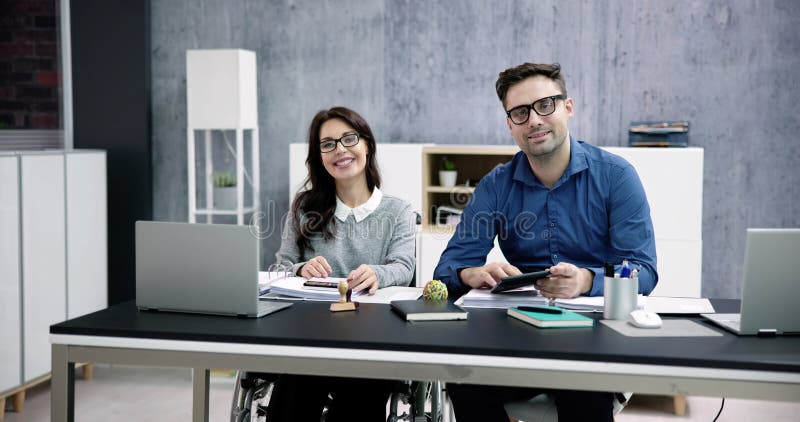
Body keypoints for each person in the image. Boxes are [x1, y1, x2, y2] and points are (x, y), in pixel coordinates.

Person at [433, 63, 658, 421]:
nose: (534, 120)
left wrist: (587, 280)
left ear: (567, 107)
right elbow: (447, 270)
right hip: (517, 336)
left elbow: (644, 271)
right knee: (465, 380)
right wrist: (470, 273)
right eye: (520, 113)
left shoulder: (616, 176)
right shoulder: (496, 185)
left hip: (593, 340)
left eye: (545, 105)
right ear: (510, 125)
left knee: (583, 391)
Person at [268, 106, 416, 421]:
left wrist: (377, 272)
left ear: (367, 145)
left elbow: (404, 267)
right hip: (311, 336)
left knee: (359, 400)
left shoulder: (398, 211)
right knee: (292, 391)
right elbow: (280, 267)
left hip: (373, 338)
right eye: (328, 144)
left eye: (349, 139)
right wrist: (299, 269)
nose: (340, 150)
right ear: (319, 156)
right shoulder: (304, 209)